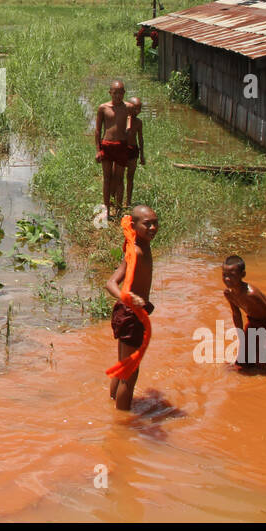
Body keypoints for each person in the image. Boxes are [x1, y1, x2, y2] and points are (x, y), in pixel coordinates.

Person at [106, 205, 158, 411]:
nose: (153, 227)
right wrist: (128, 297)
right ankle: (122, 425)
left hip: (129, 313)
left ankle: (112, 403)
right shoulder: (136, 251)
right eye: (147, 224)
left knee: (123, 367)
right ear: (134, 226)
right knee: (130, 373)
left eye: (155, 223)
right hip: (131, 315)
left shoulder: (141, 245)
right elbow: (110, 283)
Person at [221, 255, 266, 371]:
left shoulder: (251, 294)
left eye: (232, 276)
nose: (227, 279)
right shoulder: (228, 293)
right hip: (253, 320)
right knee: (243, 362)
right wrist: (241, 337)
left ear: (242, 275)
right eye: (224, 275)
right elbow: (236, 314)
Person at [95, 80, 130, 217]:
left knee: (119, 178)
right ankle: (106, 208)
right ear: (110, 93)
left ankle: (119, 208)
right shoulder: (103, 108)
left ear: (124, 93)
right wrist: (98, 150)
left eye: (120, 93)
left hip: (121, 145)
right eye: (115, 93)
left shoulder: (127, 108)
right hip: (107, 144)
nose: (117, 96)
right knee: (107, 178)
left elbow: (135, 120)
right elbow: (98, 130)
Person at [124, 97, 146, 206]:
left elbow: (140, 139)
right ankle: (115, 200)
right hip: (122, 150)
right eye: (135, 108)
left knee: (130, 177)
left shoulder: (138, 122)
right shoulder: (122, 120)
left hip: (133, 151)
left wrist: (142, 155)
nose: (137, 111)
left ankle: (128, 201)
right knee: (117, 176)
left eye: (139, 109)